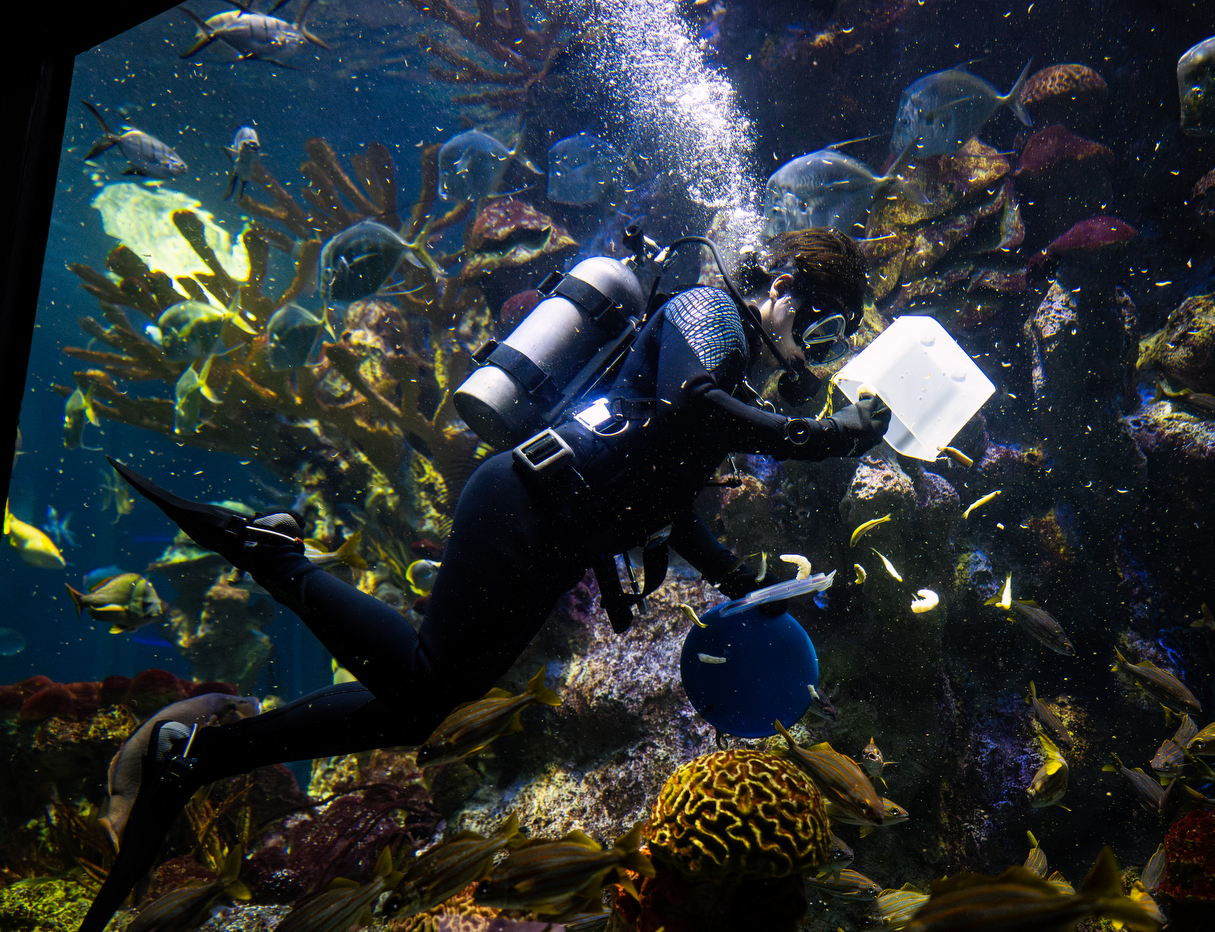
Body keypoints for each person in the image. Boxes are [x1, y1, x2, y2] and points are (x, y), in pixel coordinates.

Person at [77, 227, 890, 931]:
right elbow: (697, 402)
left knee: (423, 708)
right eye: (820, 330)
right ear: (782, 288)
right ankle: (273, 557)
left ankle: (201, 758)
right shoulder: (706, 315)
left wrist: (733, 573)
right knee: (433, 682)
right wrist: (825, 438)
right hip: (524, 503)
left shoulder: (735, 372)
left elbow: (665, 499)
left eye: (834, 343)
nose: (815, 355)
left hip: (556, 534)